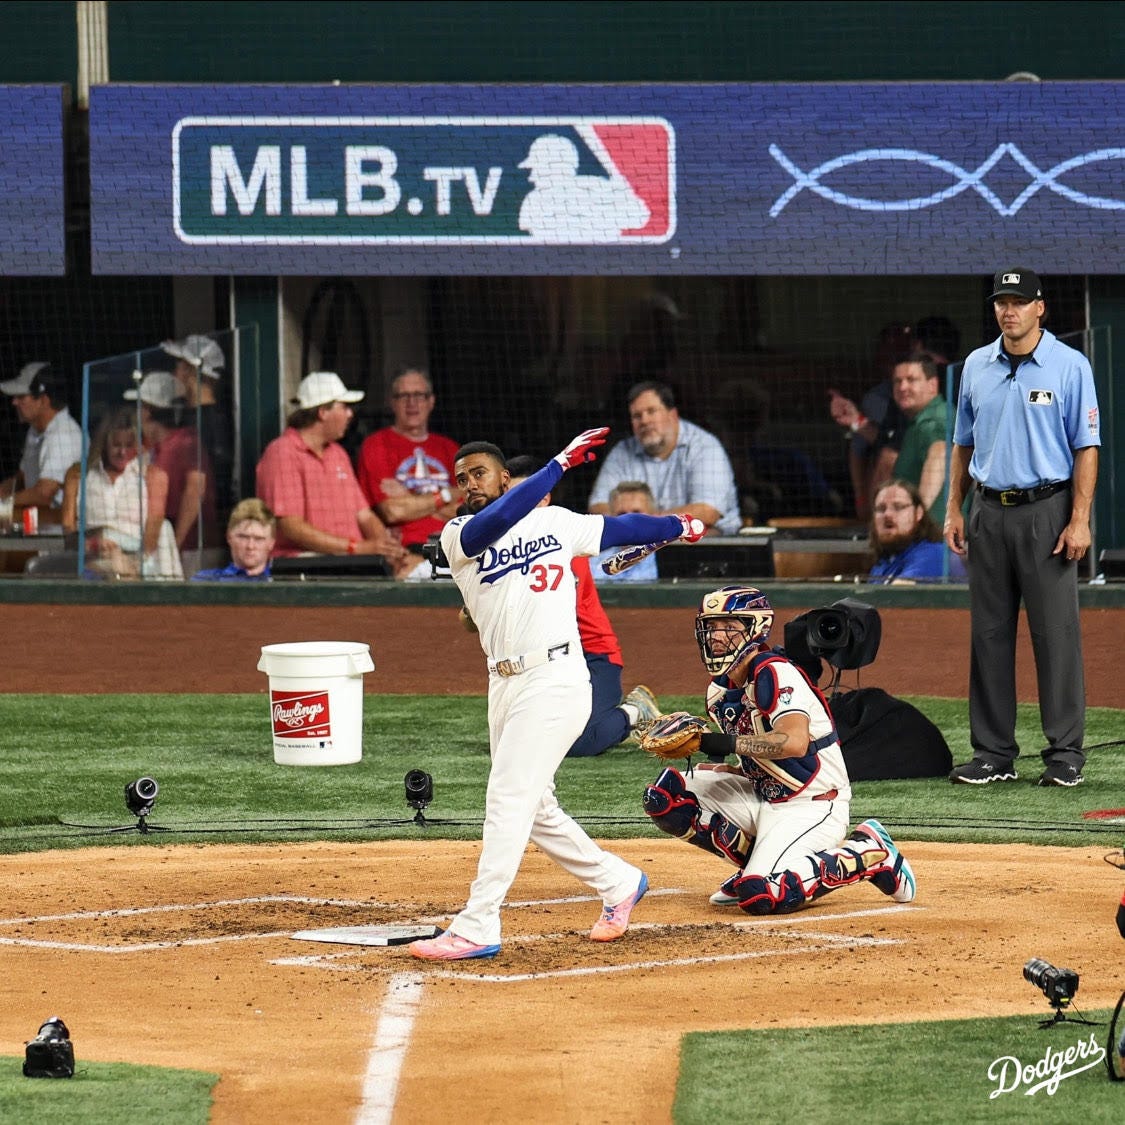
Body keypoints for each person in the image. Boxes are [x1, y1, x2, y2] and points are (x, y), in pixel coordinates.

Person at [409, 427, 707, 961]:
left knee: (507, 798)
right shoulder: (459, 534)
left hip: (556, 678)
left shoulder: (555, 522)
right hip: (503, 684)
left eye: (479, 474)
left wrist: (678, 526)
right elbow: (496, 522)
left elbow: (621, 527)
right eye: (461, 478)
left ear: (504, 478)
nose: (469, 484)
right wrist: (559, 465)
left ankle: (477, 925)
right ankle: (619, 882)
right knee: (537, 807)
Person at [641, 585, 916, 914]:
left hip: (813, 804)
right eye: (711, 626)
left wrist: (713, 743)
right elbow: (757, 751)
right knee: (667, 796)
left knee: (762, 895)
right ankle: (759, 864)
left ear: (755, 628)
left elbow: (795, 743)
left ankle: (869, 852)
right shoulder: (719, 692)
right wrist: (731, 770)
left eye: (728, 626)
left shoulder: (776, 673)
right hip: (765, 796)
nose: (717, 636)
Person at [945, 267, 1100, 788]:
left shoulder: (1070, 365)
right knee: (988, 635)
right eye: (1001, 302)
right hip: (987, 510)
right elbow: (962, 443)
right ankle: (993, 754)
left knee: (1056, 635)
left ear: (1040, 307)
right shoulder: (976, 365)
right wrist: (953, 509)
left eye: (1018, 302)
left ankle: (1065, 754)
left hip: (1047, 511)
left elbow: (1087, 447)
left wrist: (1079, 520)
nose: (1008, 311)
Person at [501, 456, 662, 757]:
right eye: (511, 499)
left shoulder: (564, 539)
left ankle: (634, 711)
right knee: (517, 737)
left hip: (592, 656)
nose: (518, 508)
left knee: (577, 741)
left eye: (525, 498)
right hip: (545, 659)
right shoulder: (507, 547)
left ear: (544, 500)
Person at [255, 372, 409, 573]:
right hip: (305, 565)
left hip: (352, 562)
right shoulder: (282, 452)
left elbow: (364, 515)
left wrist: (387, 547)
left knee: (418, 570)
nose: (350, 414)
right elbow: (290, 526)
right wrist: (356, 548)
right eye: (344, 407)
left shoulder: (338, 453)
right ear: (323, 412)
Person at [587, 381, 741, 535]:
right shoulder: (622, 452)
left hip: (710, 544)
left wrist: (642, 525)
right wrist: (642, 528)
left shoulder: (704, 446)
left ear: (672, 415)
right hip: (640, 542)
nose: (644, 421)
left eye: (651, 411)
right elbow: (597, 506)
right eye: (637, 416)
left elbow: (707, 512)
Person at [61, 405, 183, 579]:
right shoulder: (77, 475)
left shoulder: (153, 476)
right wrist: (91, 545)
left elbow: (154, 528)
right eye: (116, 445)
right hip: (92, 555)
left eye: (129, 445)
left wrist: (135, 563)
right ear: (104, 444)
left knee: (120, 566)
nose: (122, 452)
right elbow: (68, 529)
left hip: (137, 560)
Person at [355, 366, 460, 569]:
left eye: (419, 395)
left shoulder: (450, 449)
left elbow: (465, 514)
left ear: (431, 401)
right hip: (407, 556)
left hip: (455, 552)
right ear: (392, 402)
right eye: (403, 396)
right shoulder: (376, 445)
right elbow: (392, 511)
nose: (412, 403)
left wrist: (408, 498)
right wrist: (446, 495)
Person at [124, 370, 219, 551]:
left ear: (146, 410)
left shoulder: (187, 442)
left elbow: (195, 491)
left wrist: (176, 543)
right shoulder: (154, 449)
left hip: (192, 549)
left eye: (139, 406)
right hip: (165, 545)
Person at [0, 362, 82, 533]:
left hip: (61, 536)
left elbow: (44, 493)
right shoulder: (35, 430)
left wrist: (4, 503)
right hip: (37, 530)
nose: (14, 402)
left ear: (44, 400)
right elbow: (21, 478)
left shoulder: (64, 434)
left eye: (22, 397)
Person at [162, 334, 235, 519]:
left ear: (190, 370)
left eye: (177, 367)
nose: (173, 375)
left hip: (199, 523)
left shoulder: (211, 422)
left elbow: (204, 485)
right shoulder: (190, 416)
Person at [873, 351, 950, 522]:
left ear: (932, 385)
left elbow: (940, 452)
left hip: (934, 532)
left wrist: (917, 514)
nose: (902, 387)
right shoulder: (925, 419)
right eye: (897, 381)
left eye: (911, 380)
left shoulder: (933, 420)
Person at [867, 479, 965, 584]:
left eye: (898, 507)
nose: (887, 514)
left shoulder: (934, 555)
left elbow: (898, 592)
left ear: (918, 513)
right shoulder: (882, 564)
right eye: (881, 508)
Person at [191, 498, 276, 581]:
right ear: (229, 537)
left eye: (259, 539)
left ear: (271, 543)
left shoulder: (279, 584)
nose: (250, 546)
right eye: (243, 537)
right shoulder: (204, 581)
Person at [591, 480, 659, 583]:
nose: (629, 521)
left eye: (637, 513)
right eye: (621, 514)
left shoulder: (673, 558)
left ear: (653, 517)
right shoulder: (593, 565)